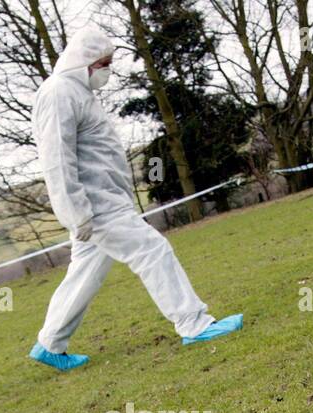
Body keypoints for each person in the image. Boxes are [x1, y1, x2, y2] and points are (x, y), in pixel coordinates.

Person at [28, 26, 242, 373]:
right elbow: (57, 159)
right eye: (104, 63)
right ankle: (194, 324)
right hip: (96, 206)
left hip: (104, 203)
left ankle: (50, 343)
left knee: (85, 274)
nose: (108, 70)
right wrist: (75, 213)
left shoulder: (79, 92)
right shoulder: (59, 93)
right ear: (86, 61)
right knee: (152, 251)